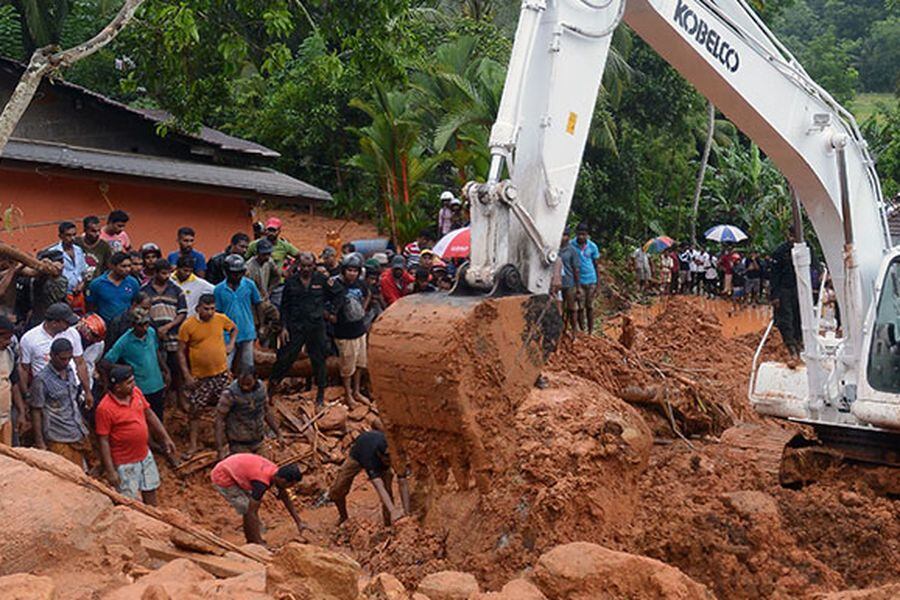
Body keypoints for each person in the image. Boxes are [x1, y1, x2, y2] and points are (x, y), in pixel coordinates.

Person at [96, 364, 176, 504]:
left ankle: (153, 518)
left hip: (144, 454)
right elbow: (104, 440)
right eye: (129, 383)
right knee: (129, 501)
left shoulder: (136, 393)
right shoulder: (105, 408)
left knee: (150, 488)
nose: (133, 385)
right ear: (117, 387)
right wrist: (110, 471)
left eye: (133, 381)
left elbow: (150, 415)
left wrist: (165, 438)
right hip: (124, 462)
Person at [178, 294, 236, 456]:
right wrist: (187, 375)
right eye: (206, 309)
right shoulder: (188, 325)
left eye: (212, 308)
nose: (210, 312)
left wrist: (230, 344)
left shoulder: (221, 318)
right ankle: (193, 444)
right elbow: (181, 352)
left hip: (221, 373)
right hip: (200, 376)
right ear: (198, 308)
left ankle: (225, 440)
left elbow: (234, 329)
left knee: (225, 407)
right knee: (196, 409)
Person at [269, 253, 328, 406]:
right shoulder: (290, 282)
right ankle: (272, 388)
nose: (306, 269)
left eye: (309, 266)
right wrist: (283, 327)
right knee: (285, 357)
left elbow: (337, 294)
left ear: (314, 265)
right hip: (296, 327)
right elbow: (284, 306)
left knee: (319, 359)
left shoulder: (322, 280)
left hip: (316, 327)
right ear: (298, 266)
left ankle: (320, 393)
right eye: (303, 266)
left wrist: (331, 312)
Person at [210, 453, 306, 544]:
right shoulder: (261, 483)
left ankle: (253, 536)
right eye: (289, 484)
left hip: (234, 467)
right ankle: (253, 541)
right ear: (283, 480)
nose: (289, 487)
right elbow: (252, 511)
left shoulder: (276, 472)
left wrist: (299, 522)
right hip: (222, 475)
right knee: (247, 508)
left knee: (250, 508)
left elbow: (285, 497)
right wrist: (259, 542)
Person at [329, 427, 410, 526]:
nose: (390, 464)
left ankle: (389, 525)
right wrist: (393, 511)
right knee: (338, 488)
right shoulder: (370, 459)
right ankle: (343, 517)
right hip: (358, 454)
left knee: (388, 491)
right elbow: (379, 487)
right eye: (387, 461)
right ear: (380, 456)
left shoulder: (396, 454)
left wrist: (407, 513)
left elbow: (403, 482)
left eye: (391, 461)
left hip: (376, 450)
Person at [19, 303, 94, 410]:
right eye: (66, 323)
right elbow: (24, 369)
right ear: (54, 323)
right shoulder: (29, 339)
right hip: (46, 392)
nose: (69, 325)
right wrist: (26, 395)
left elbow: (80, 363)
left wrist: (87, 391)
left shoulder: (72, 333)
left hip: (71, 388)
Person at [101, 308, 169, 421]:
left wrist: (166, 370)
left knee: (158, 417)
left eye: (147, 324)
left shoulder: (151, 332)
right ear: (133, 325)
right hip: (140, 388)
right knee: (142, 419)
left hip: (157, 384)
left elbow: (156, 351)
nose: (145, 328)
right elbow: (105, 362)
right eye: (141, 325)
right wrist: (125, 369)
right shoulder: (124, 341)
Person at [30, 338, 89, 467]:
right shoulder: (41, 380)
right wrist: (40, 442)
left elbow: (72, 401)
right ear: (52, 356)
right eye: (63, 359)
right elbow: (36, 411)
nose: (66, 362)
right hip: (57, 436)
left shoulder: (70, 370)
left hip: (76, 431)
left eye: (69, 358)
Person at [327, 254, 371, 408]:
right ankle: (348, 394)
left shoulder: (360, 284)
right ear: (344, 270)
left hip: (359, 329)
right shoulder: (335, 284)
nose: (352, 273)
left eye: (355, 271)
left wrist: (363, 310)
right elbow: (324, 301)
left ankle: (357, 391)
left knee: (360, 363)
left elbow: (368, 294)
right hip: (344, 332)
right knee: (347, 367)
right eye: (349, 270)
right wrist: (330, 316)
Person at [141, 259, 187, 406]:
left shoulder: (176, 290)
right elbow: (141, 312)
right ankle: (163, 399)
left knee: (176, 368)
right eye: (163, 273)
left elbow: (182, 313)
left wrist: (168, 327)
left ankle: (180, 396)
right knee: (156, 367)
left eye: (168, 273)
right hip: (152, 336)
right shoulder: (144, 291)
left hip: (172, 335)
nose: (166, 276)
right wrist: (154, 329)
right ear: (155, 273)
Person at [215, 367, 282, 458]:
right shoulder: (229, 394)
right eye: (241, 383)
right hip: (239, 443)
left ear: (256, 378)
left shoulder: (261, 389)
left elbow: (266, 411)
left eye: (248, 384)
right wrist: (220, 449)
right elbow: (219, 420)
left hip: (258, 440)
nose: (244, 387)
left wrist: (278, 433)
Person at [214, 255, 262, 372]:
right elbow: (218, 313)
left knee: (247, 366)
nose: (237, 276)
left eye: (240, 273)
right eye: (234, 273)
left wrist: (260, 325)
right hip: (227, 334)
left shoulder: (249, 285)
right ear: (226, 272)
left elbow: (258, 304)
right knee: (226, 366)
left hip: (247, 330)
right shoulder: (219, 289)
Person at [770, 233, 802, 355]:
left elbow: (814, 265)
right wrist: (775, 295)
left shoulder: (805, 248)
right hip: (784, 289)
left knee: (799, 315)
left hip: (799, 288)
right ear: (788, 236)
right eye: (792, 236)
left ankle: (799, 340)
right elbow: (774, 275)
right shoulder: (780, 252)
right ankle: (790, 344)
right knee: (786, 317)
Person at [87, 251, 141, 324]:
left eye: (129, 266)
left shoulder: (133, 283)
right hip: (105, 326)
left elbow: (136, 303)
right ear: (112, 266)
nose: (128, 269)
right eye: (123, 266)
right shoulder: (97, 284)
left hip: (126, 325)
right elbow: (91, 306)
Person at [571, 223, 600, 334]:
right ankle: (582, 329)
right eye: (579, 234)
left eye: (583, 235)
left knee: (590, 306)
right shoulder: (571, 245)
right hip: (577, 281)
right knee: (580, 307)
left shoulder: (592, 247)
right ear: (576, 234)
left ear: (587, 235)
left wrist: (598, 284)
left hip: (591, 280)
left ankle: (591, 331)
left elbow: (596, 265)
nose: (581, 237)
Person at [0, 316, 24, 445]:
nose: (8, 342)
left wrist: (20, 411)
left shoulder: (9, 354)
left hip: (5, 419)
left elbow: (14, 384)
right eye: (5, 338)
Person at [29, 249, 69, 326]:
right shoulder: (38, 278)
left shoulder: (62, 279)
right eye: (58, 262)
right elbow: (39, 281)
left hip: (57, 318)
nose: (61, 266)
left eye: (62, 262)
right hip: (41, 320)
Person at [48, 221, 87, 295]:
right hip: (61, 294)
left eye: (74, 235)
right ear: (60, 236)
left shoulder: (78, 250)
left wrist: (82, 284)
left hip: (79, 293)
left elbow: (83, 271)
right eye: (68, 235)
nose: (72, 238)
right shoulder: (53, 252)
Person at [554, 232, 580, 336]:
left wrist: (577, 287)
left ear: (568, 237)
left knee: (572, 309)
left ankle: (574, 331)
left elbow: (576, 269)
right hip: (557, 285)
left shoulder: (572, 251)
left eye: (564, 235)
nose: (562, 238)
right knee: (559, 310)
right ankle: (561, 331)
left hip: (569, 283)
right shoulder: (555, 249)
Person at [75, 215, 112, 282]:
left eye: (99, 231)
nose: (97, 234)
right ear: (85, 230)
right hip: (77, 283)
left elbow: (108, 268)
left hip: (96, 284)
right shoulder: (76, 243)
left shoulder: (104, 246)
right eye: (93, 231)